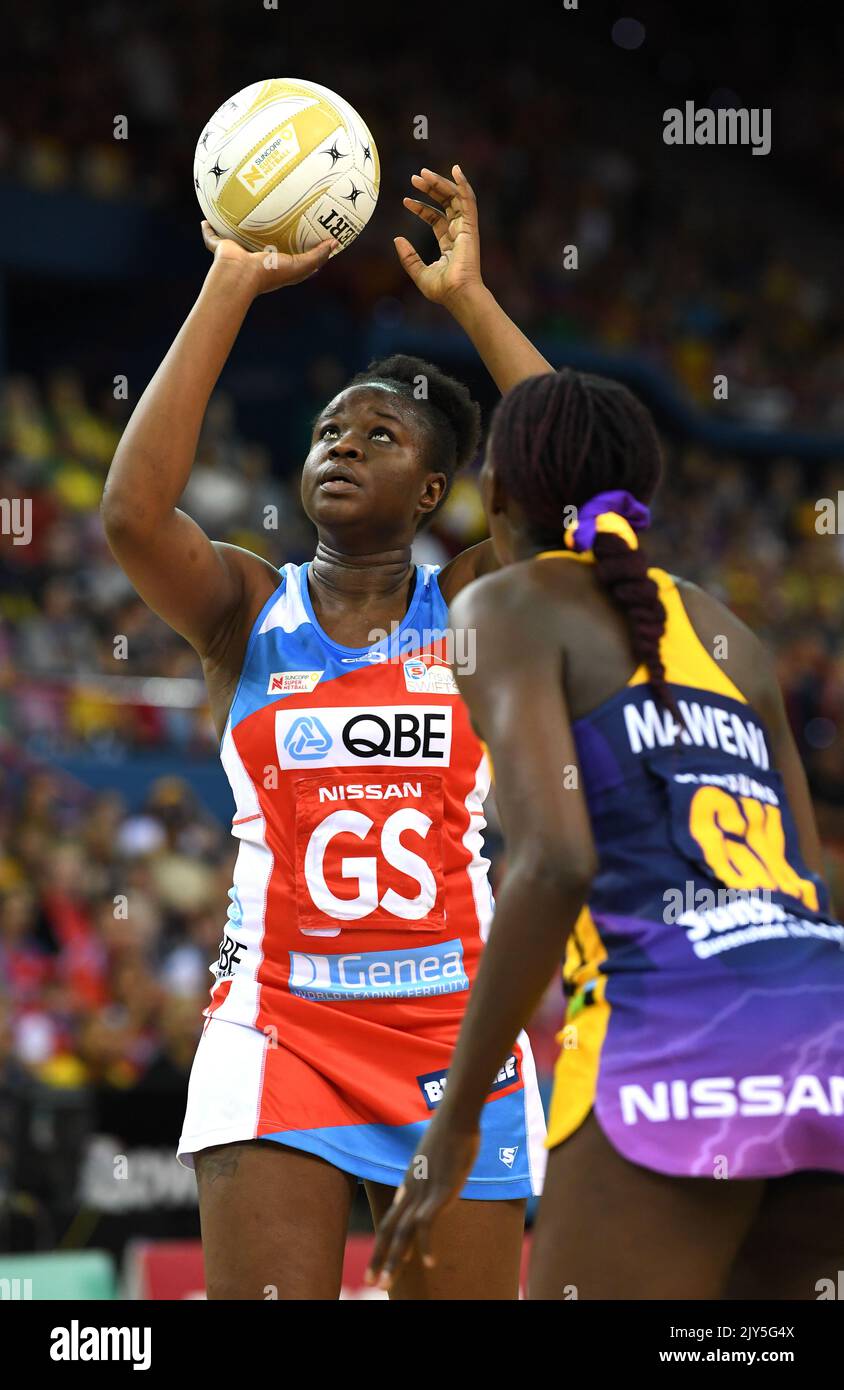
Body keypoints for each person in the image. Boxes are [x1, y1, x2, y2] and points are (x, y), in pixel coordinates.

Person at [101, 167, 551, 1299]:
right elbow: (130, 514)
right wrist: (230, 282)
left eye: (381, 434)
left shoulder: (479, 608)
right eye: (328, 430)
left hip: (458, 1035)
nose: (343, 444)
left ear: (436, 485)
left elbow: (585, 489)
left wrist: (470, 302)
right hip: (282, 1024)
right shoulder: (249, 608)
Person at [367, 367, 844, 1300]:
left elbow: (556, 861)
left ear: (494, 490)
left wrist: (457, 1119)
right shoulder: (733, 637)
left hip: (674, 1037)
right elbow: (811, 879)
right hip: (823, 1031)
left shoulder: (503, 608)